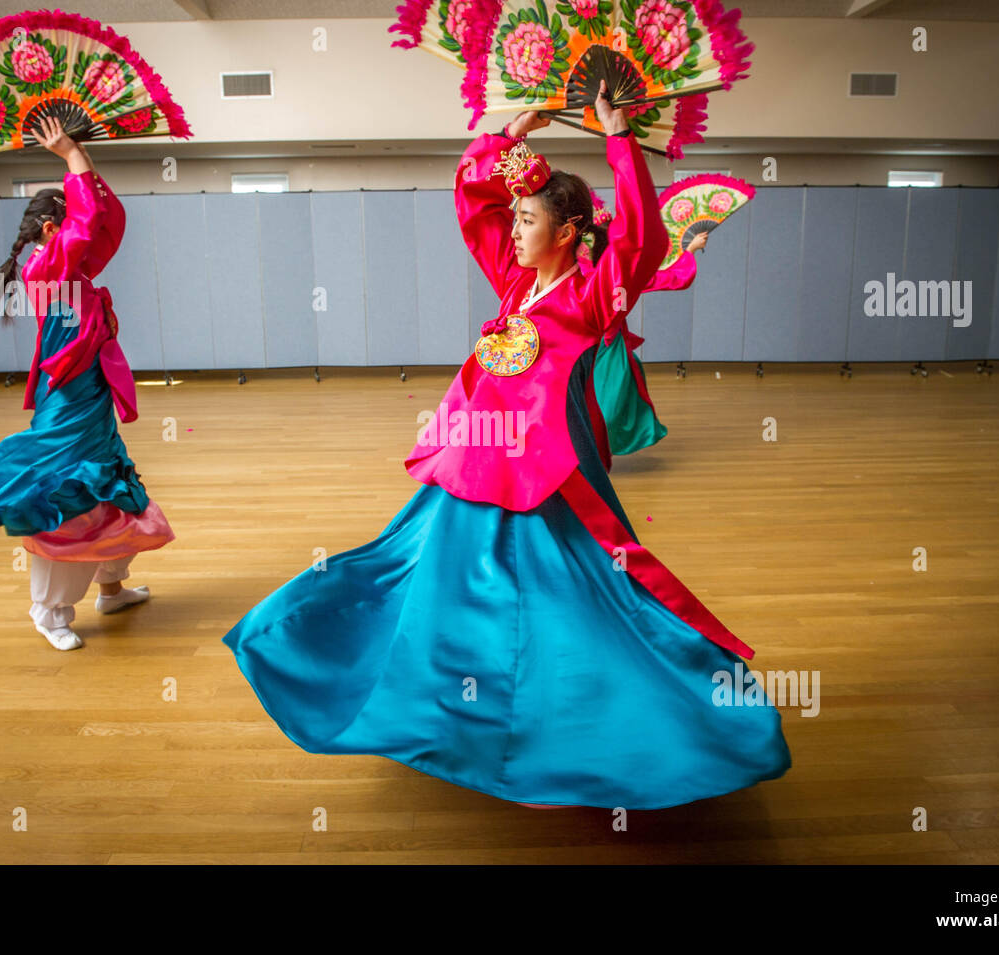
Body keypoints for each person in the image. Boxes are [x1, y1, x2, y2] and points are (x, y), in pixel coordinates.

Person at [223, 82, 790, 809]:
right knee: (432, 584)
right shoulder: (513, 281)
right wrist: (510, 132)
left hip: (543, 476)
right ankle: (432, 702)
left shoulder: (589, 297)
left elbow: (644, 240)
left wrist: (619, 139)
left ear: (567, 231)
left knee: (563, 603)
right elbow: (472, 199)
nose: (515, 229)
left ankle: (627, 725)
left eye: (529, 220)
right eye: (517, 217)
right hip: (471, 462)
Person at [0, 116, 174, 651]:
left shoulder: (68, 271)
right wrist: (71, 153)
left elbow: (107, 220)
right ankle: (48, 612)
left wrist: (82, 168)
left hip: (90, 399)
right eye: (72, 223)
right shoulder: (46, 269)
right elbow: (93, 218)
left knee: (109, 484)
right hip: (70, 402)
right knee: (68, 494)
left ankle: (111, 587)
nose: (86, 232)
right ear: (53, 230)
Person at [581, 194, 709, 463]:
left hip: (603, 344)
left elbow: (669, 278)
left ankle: (591, 449)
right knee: (600, 400)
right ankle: (583, 449)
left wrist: (690, 250)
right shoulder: (588, 272)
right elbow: (672, 278)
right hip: (589, 343)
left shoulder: (610, 273)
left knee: (613, 398)